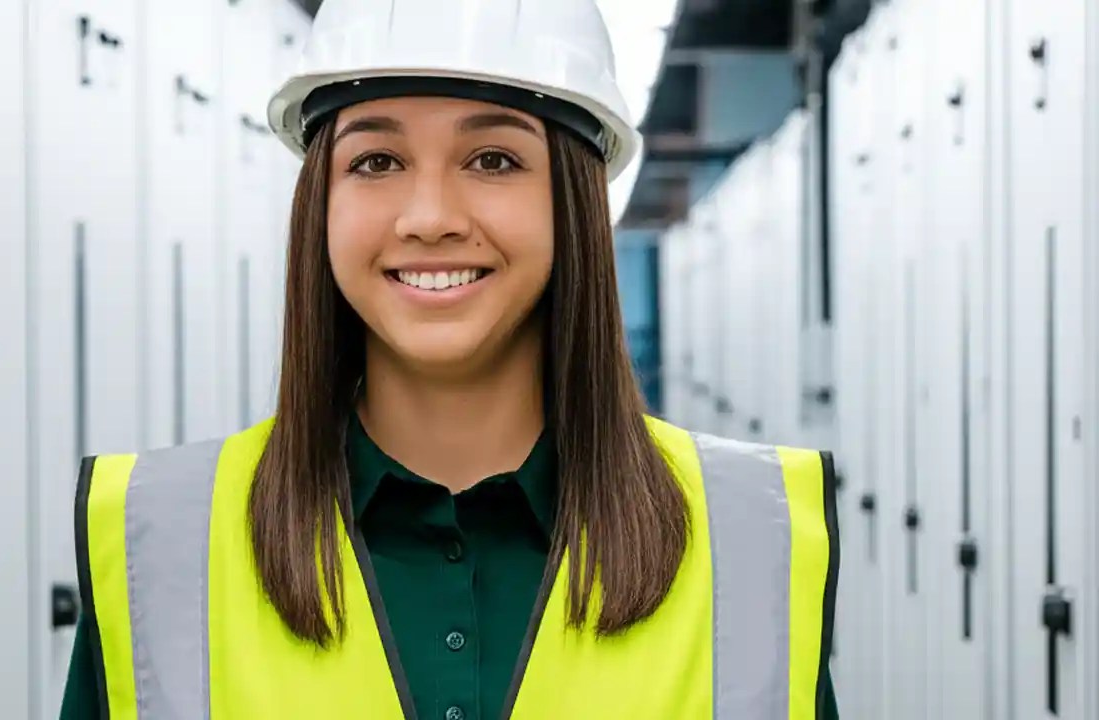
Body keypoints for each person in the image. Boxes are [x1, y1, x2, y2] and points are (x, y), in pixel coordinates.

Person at [59, 0, 840, 718]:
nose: (429, 218)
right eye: (376, 163)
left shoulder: (751, 536)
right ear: (318, 207)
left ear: (573, 200)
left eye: (493, 160)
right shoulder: (158, 546)